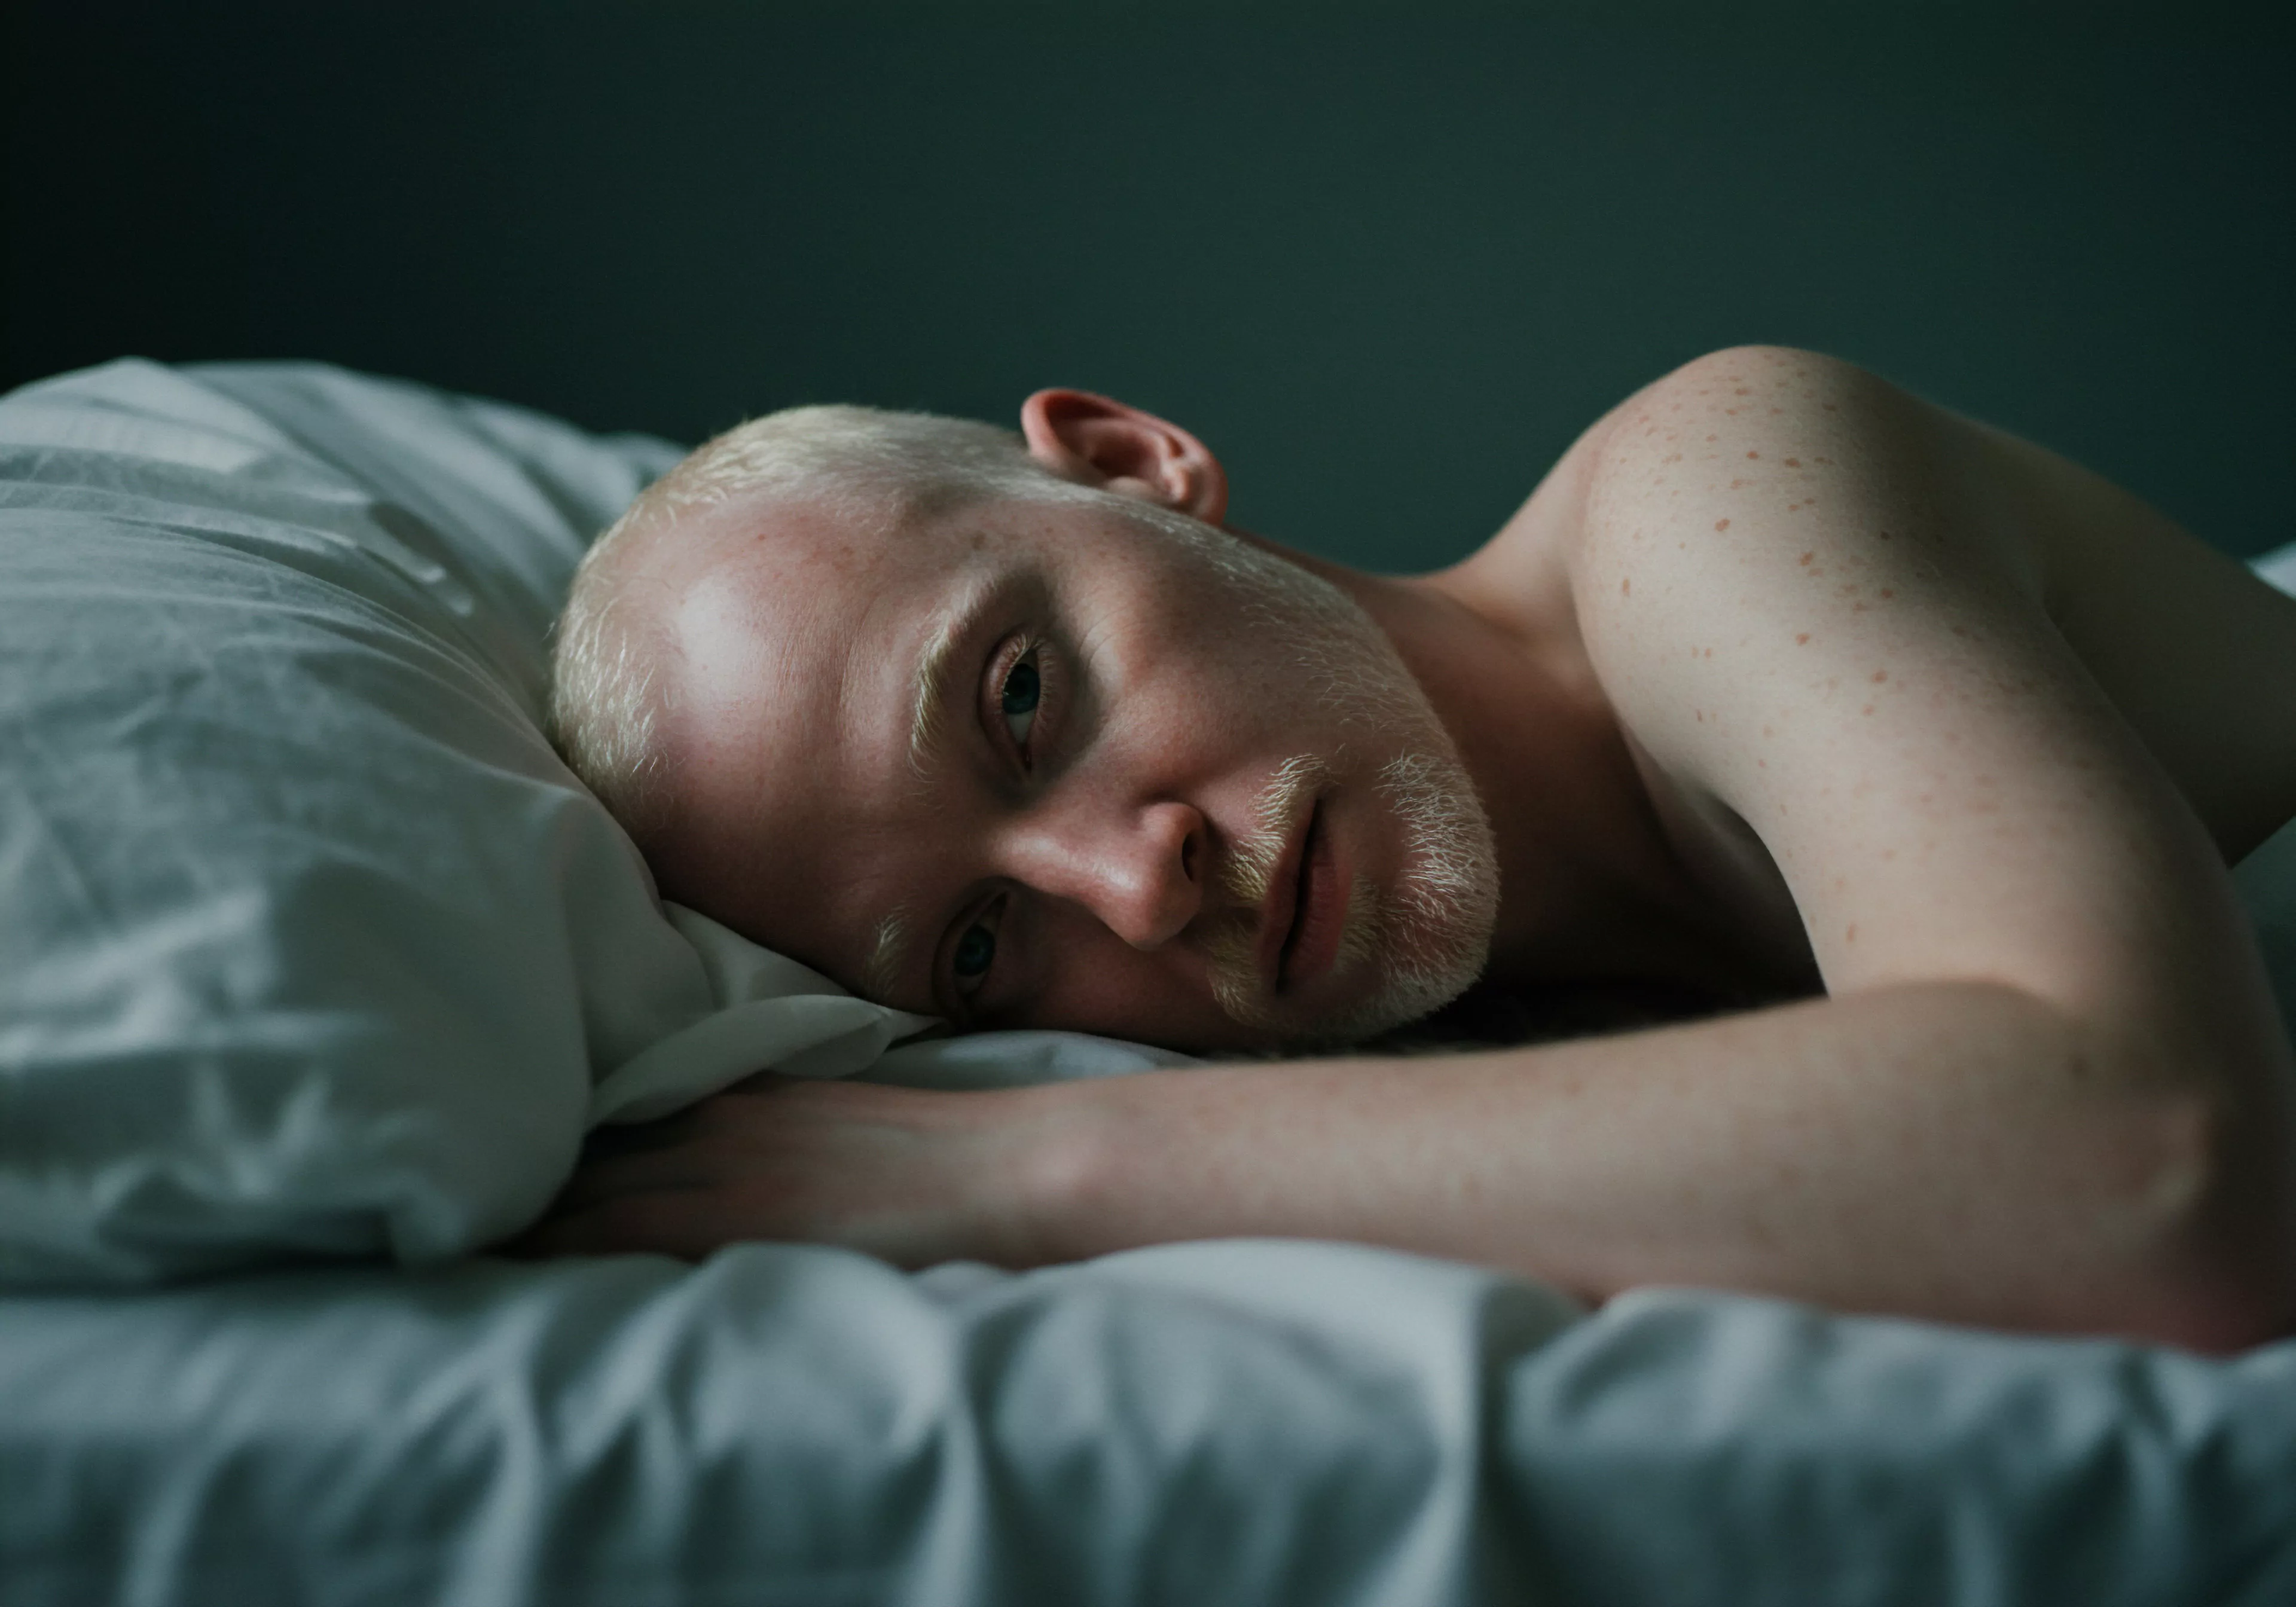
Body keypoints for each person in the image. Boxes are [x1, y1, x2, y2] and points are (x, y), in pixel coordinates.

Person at [527, 346, 2296, 1351]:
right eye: (981, 949)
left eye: (1021, 698)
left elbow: (2152, 1162)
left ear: (1135, 463)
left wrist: (1034, 1172)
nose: (1132, 888)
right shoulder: (1497, 1058)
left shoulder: (1714, 491)